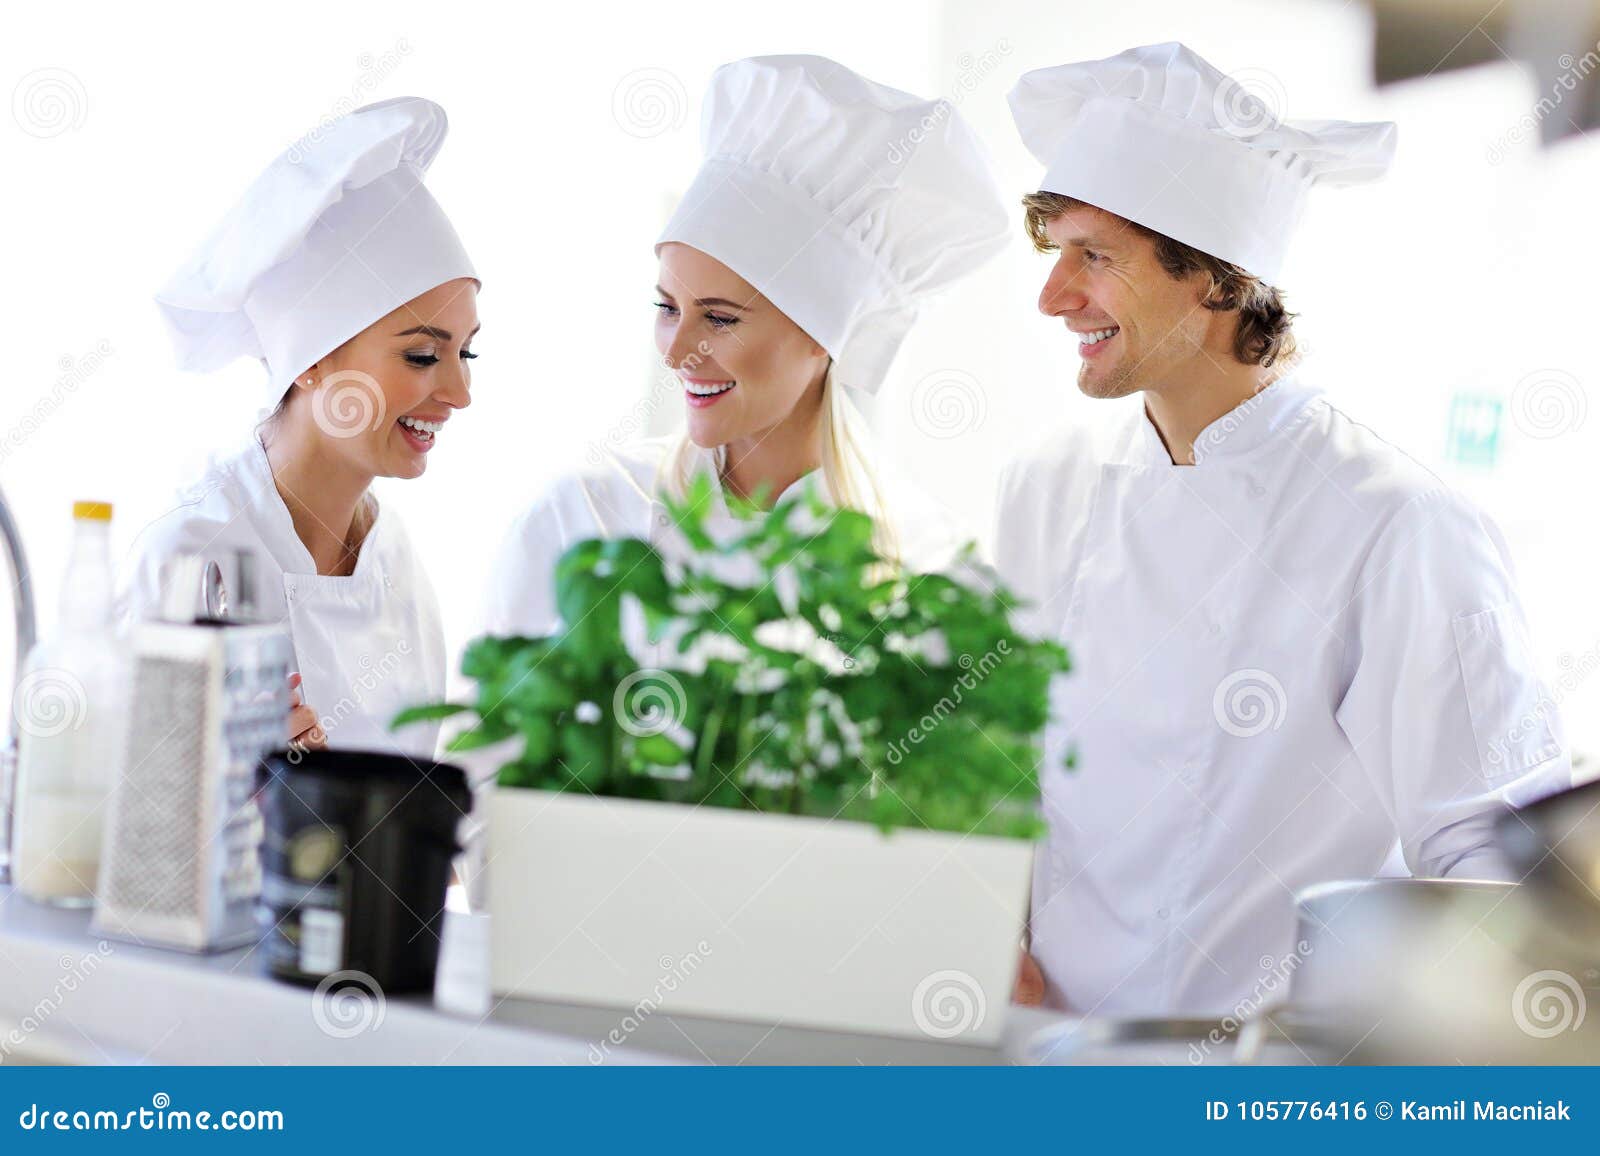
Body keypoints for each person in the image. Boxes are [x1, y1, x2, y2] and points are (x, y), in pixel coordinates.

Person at [996, 42, 1570, 1017]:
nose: (1053, 296)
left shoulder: (1394, 523)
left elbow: (1497, 856)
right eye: (1056, 253)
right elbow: (992, 763)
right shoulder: (1045, 486)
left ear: (1214, 280)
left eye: (1093, 256)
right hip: (1040, 1052)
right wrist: (987, 933)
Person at [484, 55, 1011, 638]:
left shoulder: (928, 564)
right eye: (667, 308)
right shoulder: (583, 517)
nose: (677, 350)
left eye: (719, 319)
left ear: (823, 335)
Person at [119, 97, 479, 759]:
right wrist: (236, 784)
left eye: (467, 352)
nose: (459, 393)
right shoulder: (191, 557)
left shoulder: (395, 562)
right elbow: (104, 828)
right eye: (423, 356)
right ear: (311, 361)